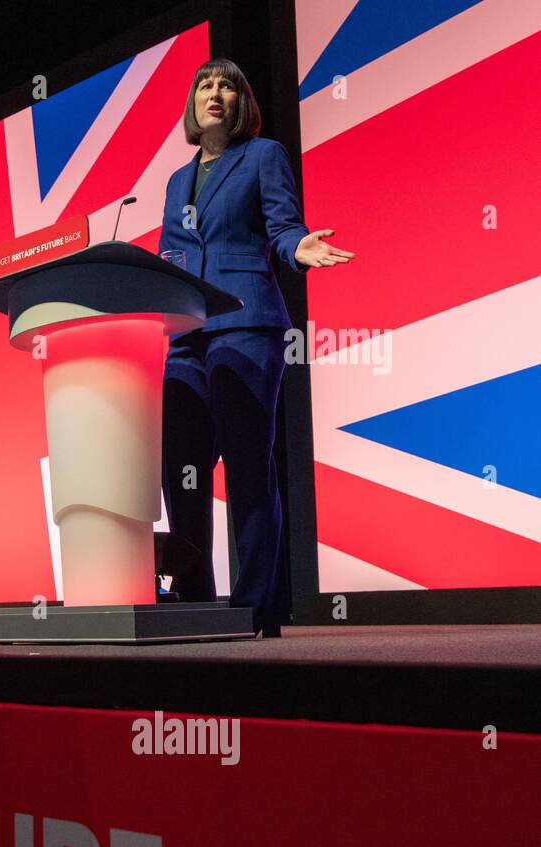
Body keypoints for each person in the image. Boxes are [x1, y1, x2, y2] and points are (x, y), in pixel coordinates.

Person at [158, 58, 353, 636]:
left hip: (245, 324)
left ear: (242, 102)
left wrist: (298, 250)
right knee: (182, 470)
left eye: (227, 87)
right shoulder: (175, 180)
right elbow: (172, 254)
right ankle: (194, 602)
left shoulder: (262, 155)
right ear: (193, 103)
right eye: (205, 86)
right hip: (185, 336)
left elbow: (283, 226)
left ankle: (256, 610)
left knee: (246, 467)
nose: (214, 94)